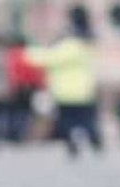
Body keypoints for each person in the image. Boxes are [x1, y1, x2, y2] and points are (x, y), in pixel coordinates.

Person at [28, 10, 102, 158]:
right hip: (85, 90)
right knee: (86, 119)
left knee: (68, 121)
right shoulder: (87, 45)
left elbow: (49, 58)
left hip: (66, 92)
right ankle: (95, 141)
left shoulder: (70, 46)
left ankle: (73, 142)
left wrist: (29, 53)